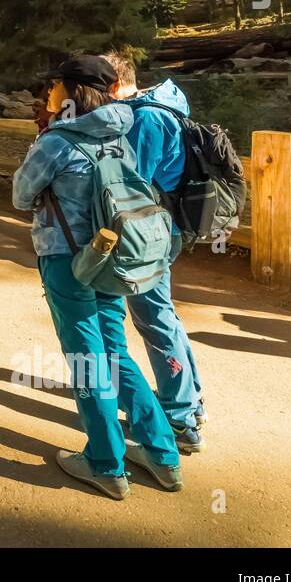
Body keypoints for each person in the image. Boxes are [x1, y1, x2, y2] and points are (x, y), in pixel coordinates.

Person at [12, 54, 181, 500]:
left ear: (71, 90)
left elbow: (19, 194)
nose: (48, 92)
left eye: (54, 85)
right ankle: (162, 454)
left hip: (67, 259)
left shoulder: (56, 142)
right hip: (114, 256)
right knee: (115, 352)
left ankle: (105, 463)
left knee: (88, 359)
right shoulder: (124, 130)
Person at [103, 51, 207, 453]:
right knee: (164, 315)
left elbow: (133, 184)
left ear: (114, 84)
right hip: (163, 226)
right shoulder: (158, 106)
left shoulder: (146, 118)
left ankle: (179, 419)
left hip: (153, 232)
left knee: (154, 319)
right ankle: (190, 402)